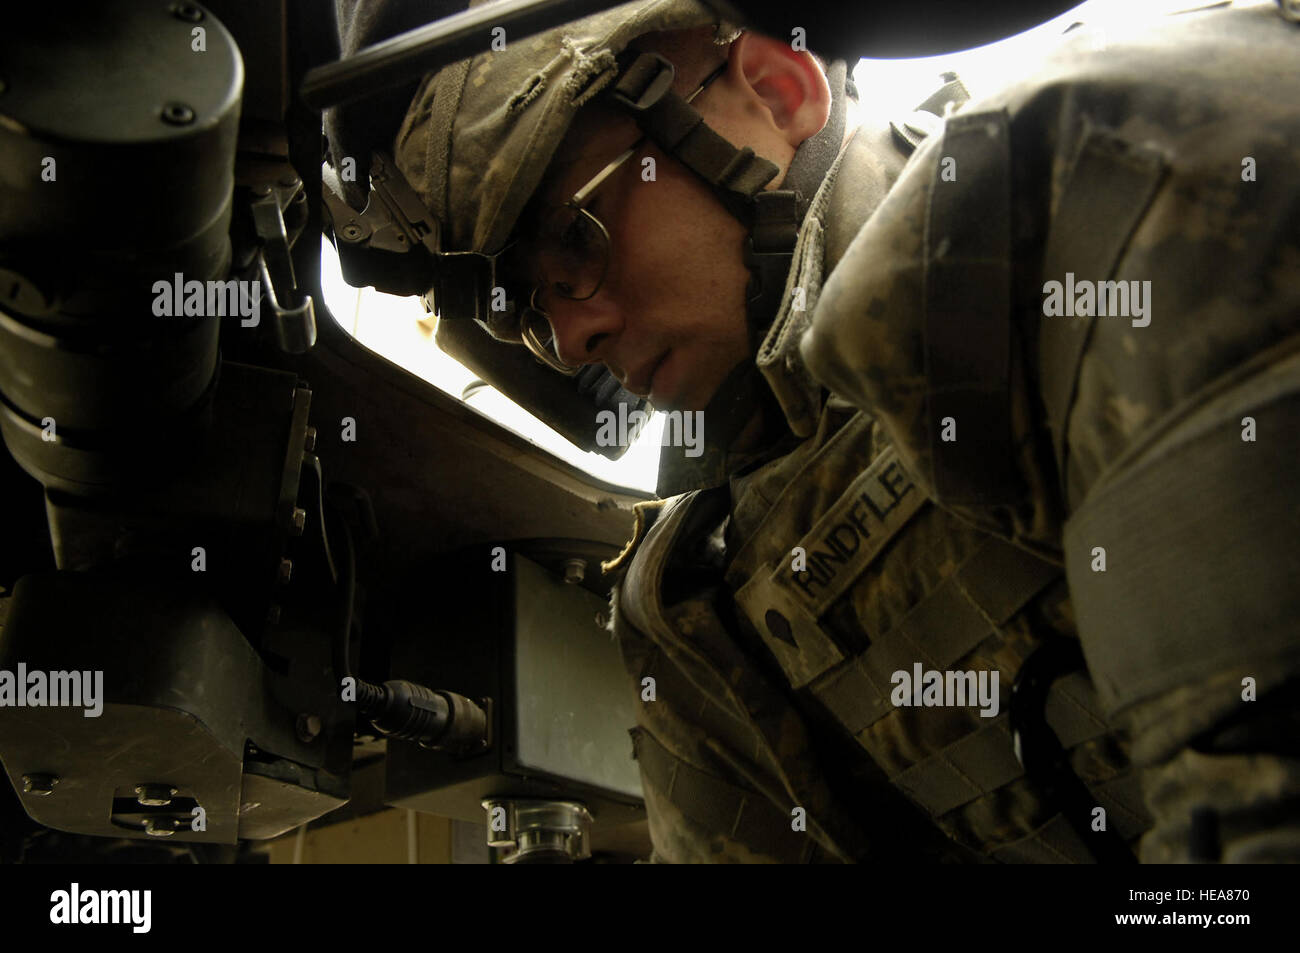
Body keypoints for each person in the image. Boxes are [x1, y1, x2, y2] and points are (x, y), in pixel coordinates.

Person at [331, 0, 1300, 862]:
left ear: (779, 88)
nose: (570, 336)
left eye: (570, 240)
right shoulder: (689, 608)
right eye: (527, 307)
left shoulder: (1096, 181)